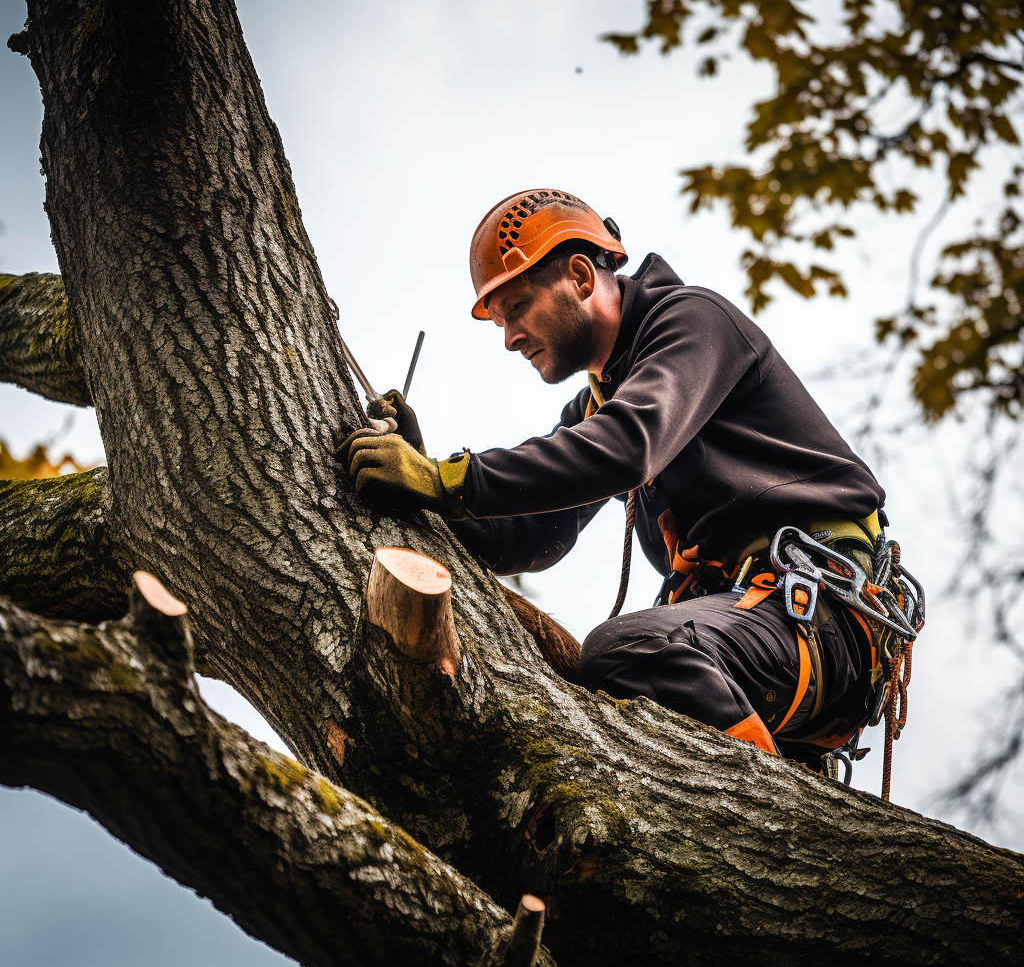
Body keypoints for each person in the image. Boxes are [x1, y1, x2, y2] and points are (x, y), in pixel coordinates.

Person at [339, 188, 919, 773]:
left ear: (582, 277)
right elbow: (530, 533)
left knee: (624, 650)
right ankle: (772, 788)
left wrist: (449, 480)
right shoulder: (599, 405)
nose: (509, 337)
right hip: (741, 642)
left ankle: (778, 813)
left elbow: (626, 446)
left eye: (516, 307)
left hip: (817, 614)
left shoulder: (693, 323)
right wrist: (424, 491)